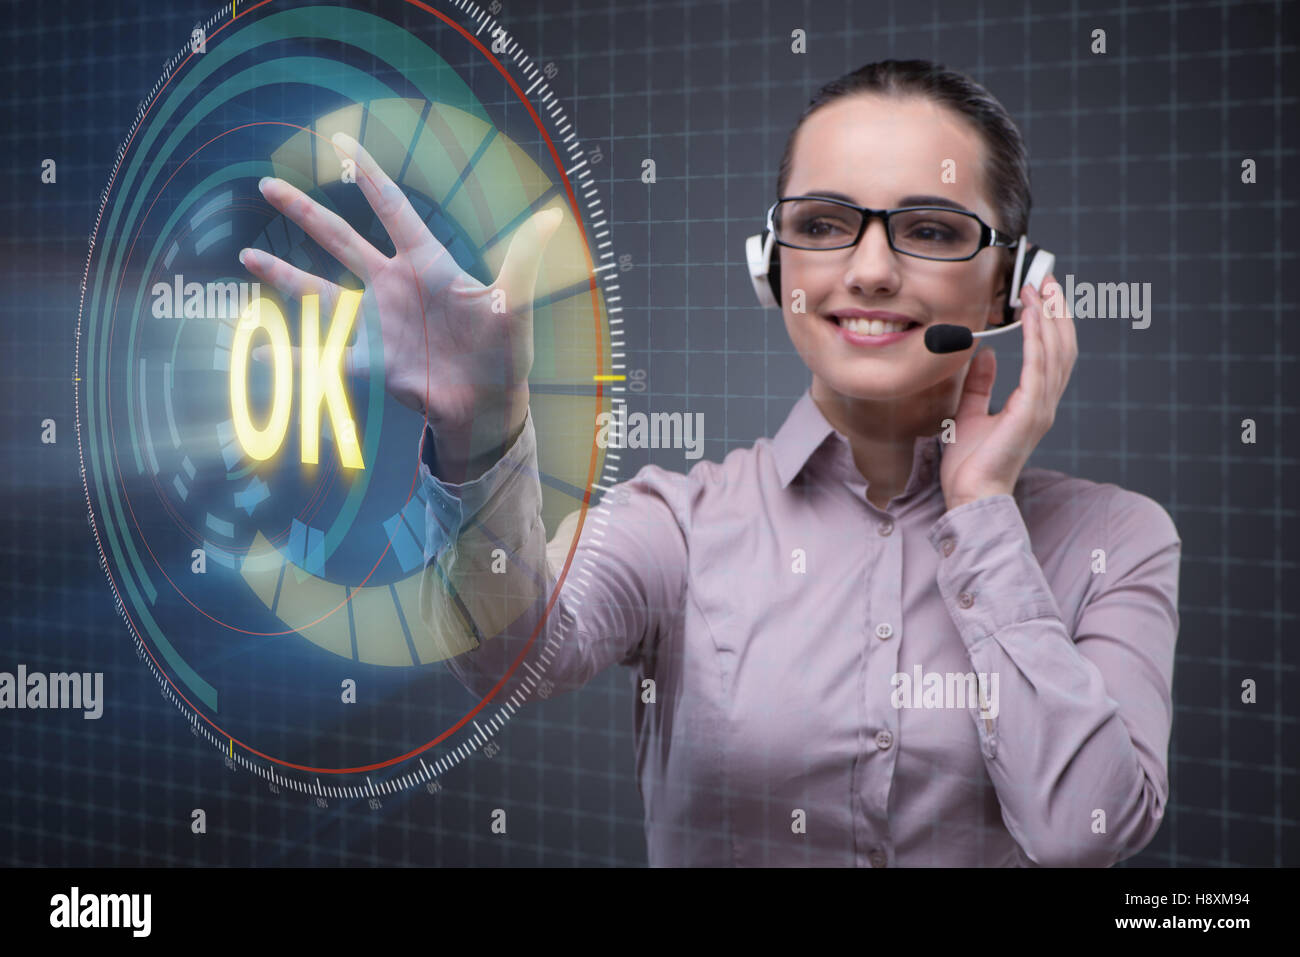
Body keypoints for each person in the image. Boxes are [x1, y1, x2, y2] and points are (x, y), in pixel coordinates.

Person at [242, 59, 1181, 867]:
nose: (869, 270)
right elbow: (509, 661)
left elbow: (1083, 830)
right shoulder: (678, 523)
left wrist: (981, 510)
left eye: (931, 229)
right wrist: (482, 429)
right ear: (773, 264)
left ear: (1017, 281)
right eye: (823, 224)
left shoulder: (1118, 538)